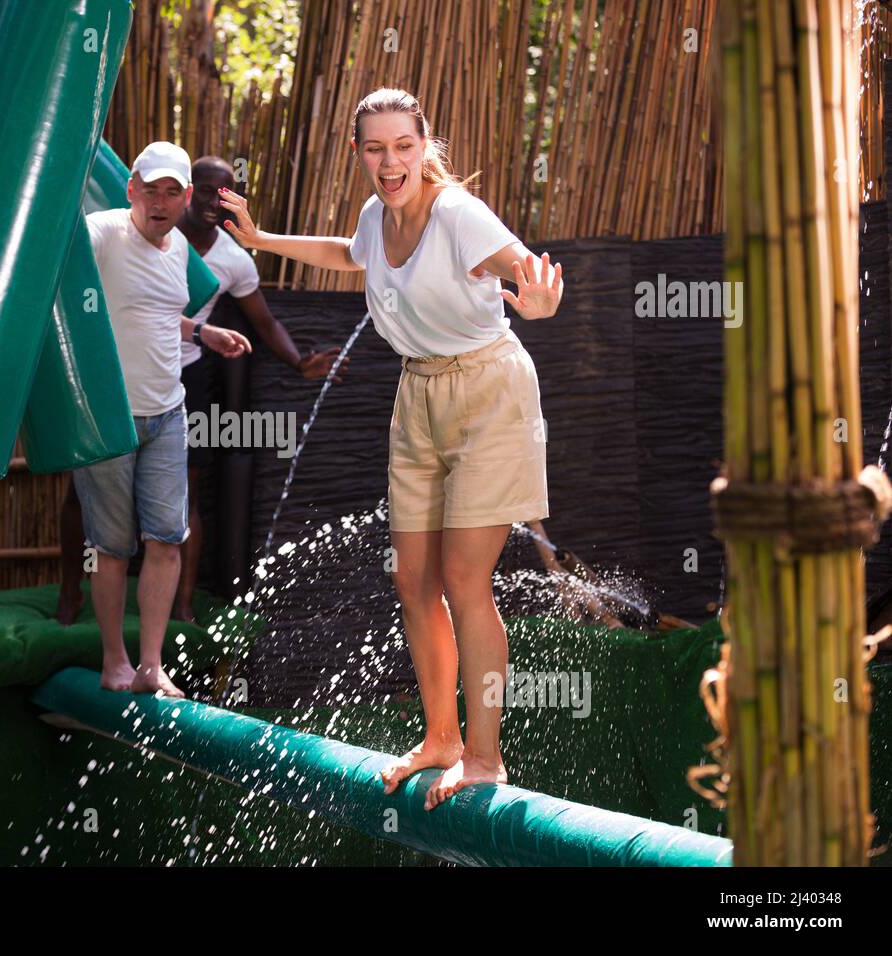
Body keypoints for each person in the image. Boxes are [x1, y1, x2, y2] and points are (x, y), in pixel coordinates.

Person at [219, 88, 564, 809]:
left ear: (424, 145)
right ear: (358, 153)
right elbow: (350, 253)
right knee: (413, 581)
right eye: (374, 148)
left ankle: (484, 756)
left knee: (466, 581)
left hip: (489, 395)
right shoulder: (378, 216)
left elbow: (530, 278)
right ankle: (440, 737)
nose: (389, 160)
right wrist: (261, 242)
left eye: (403, 145)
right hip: (418, 399)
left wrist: (541, 303)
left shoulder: (458, 216)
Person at [74, 142, 251, 697]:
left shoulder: (178, 251)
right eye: (150, 189)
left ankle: (152, 665)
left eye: (172, 191)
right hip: (107, 416)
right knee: (110, 546)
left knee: (168, 539)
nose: (160, 201)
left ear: (186, 198)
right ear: (131, 189)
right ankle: (113, 661)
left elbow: (151, 312)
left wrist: (201, 332)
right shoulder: (101, 232)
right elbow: (48, 262)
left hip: (167, 412)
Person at [168, 156, 345, 623]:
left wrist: (299, 362)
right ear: (188, 191)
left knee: (186, 489)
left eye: (223, 194)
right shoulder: (158, 233)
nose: (211, 202)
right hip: (127, 365)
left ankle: (183, 605)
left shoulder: (232, 259)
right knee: (97, 480)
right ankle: (72, 591)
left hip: (184, 374)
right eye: (203, 190)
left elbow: (264, 322)